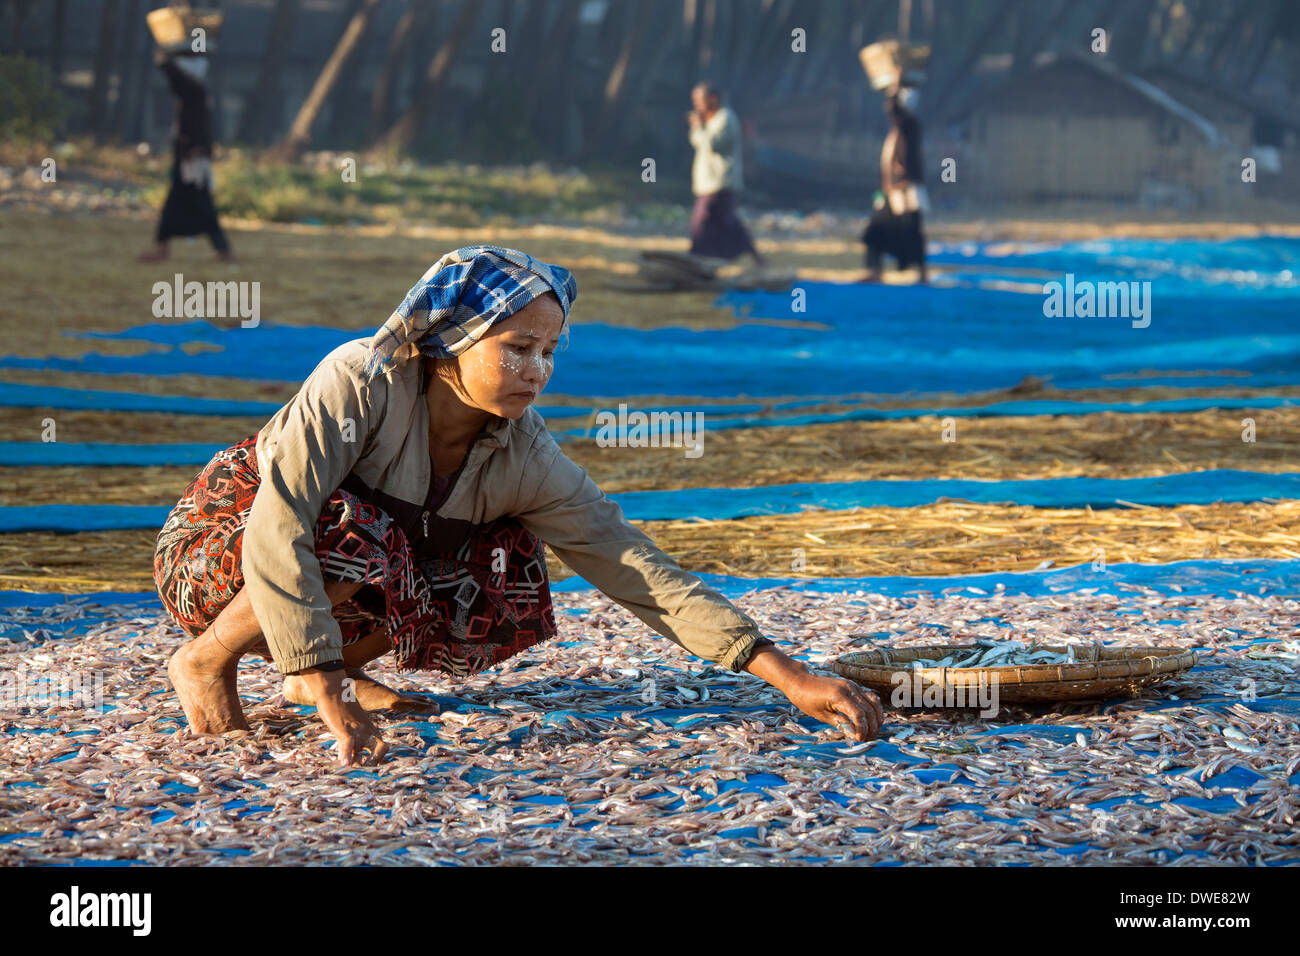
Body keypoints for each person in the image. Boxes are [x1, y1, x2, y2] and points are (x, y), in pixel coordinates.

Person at [154, 246, 882, 766]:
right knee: (353, 531)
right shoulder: (361, 381)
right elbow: (281, 519)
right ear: (450, 346)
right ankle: (209, 663)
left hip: (329, 567)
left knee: (505, 563)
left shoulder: (524, 451)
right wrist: (325, 691)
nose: (537, 371)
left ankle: (306, 663)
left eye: (550, 351)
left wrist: (785, 674)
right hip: (218, 555)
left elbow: (628, 562)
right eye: (517, 348)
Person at [139, 48, 233, 263]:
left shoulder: (195, 92)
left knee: (201, 205)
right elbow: (178, 83)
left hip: (193, 160)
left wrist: (165, 63)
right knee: (179, 205)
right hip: (187, 158)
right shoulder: (193, 93)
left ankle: (224, 251)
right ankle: (165, 249)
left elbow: (179, 80)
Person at [687, 83, 766, 268]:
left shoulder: (725, 118)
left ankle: (694, 259)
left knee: (702, 222)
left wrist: (698, 127)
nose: (696, 105)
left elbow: (712, 144)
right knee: (727, 223)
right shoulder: (713, 120)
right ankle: (753, 258)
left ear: (713, 99)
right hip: (710, 183)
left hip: (719, 182)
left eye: (699, 100)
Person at [861, 85, 927, 283]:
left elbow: (895, 110)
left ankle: (922, 274)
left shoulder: (909, 124)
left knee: (911, 232)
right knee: (875, 232)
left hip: (907, 191)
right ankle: (876, 271)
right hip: (893, 191)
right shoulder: (901, 127)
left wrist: (896, 83)